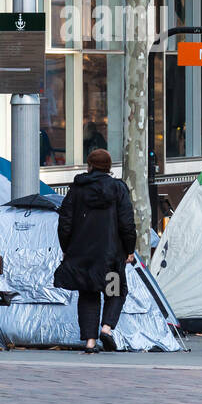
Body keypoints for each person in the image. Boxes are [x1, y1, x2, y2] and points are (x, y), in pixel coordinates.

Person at [54, 149, 136, 353]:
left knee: (89, 294)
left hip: (82, 254)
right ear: (109, 167)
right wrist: (129, 249)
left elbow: (65, 221)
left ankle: (90, 342)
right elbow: (127, 223)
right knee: (115, 291)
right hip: (111, 255)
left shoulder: (77, 189)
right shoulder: (118, 189)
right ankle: (106, 329)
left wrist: (67, 248)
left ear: (89, 166)